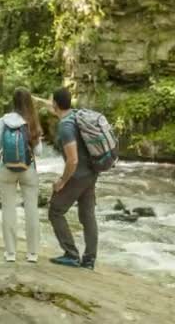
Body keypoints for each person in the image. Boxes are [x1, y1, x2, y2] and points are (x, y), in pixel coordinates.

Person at [47, 87, 99, 270]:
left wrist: (62, 181)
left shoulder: (65, 126)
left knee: (55, 211)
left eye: (51, 101)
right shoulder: (76, 116)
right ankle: (89, 259)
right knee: (87, 215)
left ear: (55, 104)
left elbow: (73, 159)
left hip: (78, 175)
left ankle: (71, 255)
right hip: (92, 172)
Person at [0, 87, 43, 263]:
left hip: (6, 169)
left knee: (8, 209)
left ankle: (11, 253)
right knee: (31, 210)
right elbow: (40, 151)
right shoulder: (31, 122)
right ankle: (32, 253)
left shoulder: (3, 121)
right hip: (28, 169)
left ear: (13, 101)